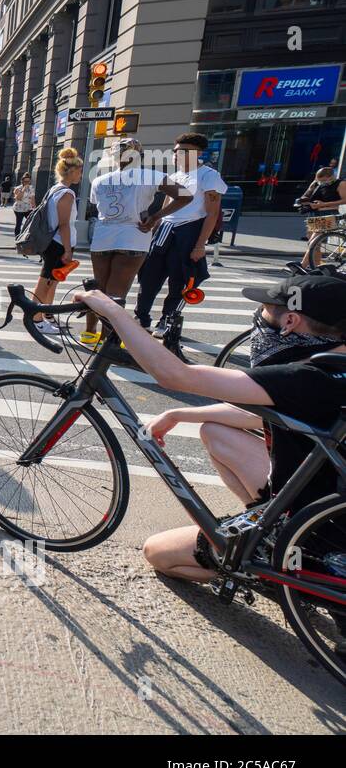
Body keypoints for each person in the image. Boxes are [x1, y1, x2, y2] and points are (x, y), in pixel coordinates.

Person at [74, 273, 346, 585]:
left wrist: (114, 312)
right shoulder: (332, 370)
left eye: (268, 310)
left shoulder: (304, 377)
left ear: (290, 322)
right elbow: (276, 416)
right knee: (217, 430)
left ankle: (280, 567)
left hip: (321, 536)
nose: (260, 318)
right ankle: (266, 535)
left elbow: (176, 375)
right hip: (330, 500)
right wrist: (180, 414)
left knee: (158, 552)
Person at [81, 139, 193, 345]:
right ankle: (108, 341)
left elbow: (95, 205)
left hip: (103, 236)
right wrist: (156, 216)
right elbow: (185, 196)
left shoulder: (99, 180)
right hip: (133, 235)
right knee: (116, 293)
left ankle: (89, 331)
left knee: (99, 289)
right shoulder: (151, 176)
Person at [134, 133, 227, 337]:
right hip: (165, 230)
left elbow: (212, 214)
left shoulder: (208, 175)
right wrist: (154, 223)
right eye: (176, 151)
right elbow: (167, 205)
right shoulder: (175, 176)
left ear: (199, 153)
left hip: (189, 230)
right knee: (149, 276)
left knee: (178, 280)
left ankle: (167, 319)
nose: (178, 155)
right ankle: (141, 317)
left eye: (185, 151)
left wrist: (200, 245)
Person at [31, 148, 81, 335]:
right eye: (80, 171)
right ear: (73, 171)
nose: (81, 175)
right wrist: (68, 250)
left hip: (53, 242)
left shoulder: (54, 189)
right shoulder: (66, 193)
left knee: (51, 281)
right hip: (58, 243)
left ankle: (45, 315)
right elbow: (64, 224)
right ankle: (36, 318)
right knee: (45, 281)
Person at [296, 165, 346, 242]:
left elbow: (344, 200)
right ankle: (313, 254)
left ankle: (309, 254)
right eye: (320, 181)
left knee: (313, 242)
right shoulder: (317, 183)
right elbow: (306, 195)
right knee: (312, 241)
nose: (322, 183)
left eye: (324, 180)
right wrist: (304, 200)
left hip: (328, 213)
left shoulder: (340, 183)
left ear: (331, 177)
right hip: (314, 212)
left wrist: (323, 204)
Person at [12, 173, 34, 238]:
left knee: (31, 222)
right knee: (19, 223)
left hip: (28, 208)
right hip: (19, 209)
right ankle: (17, 238)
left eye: (28, 181)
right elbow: (18, 198)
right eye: (25, 181)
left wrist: (35, 207)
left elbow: (32, 198)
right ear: (22, 181)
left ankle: (26, 237)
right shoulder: (18, 188)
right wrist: (24, 189)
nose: (27, 183)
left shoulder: (31, 187)